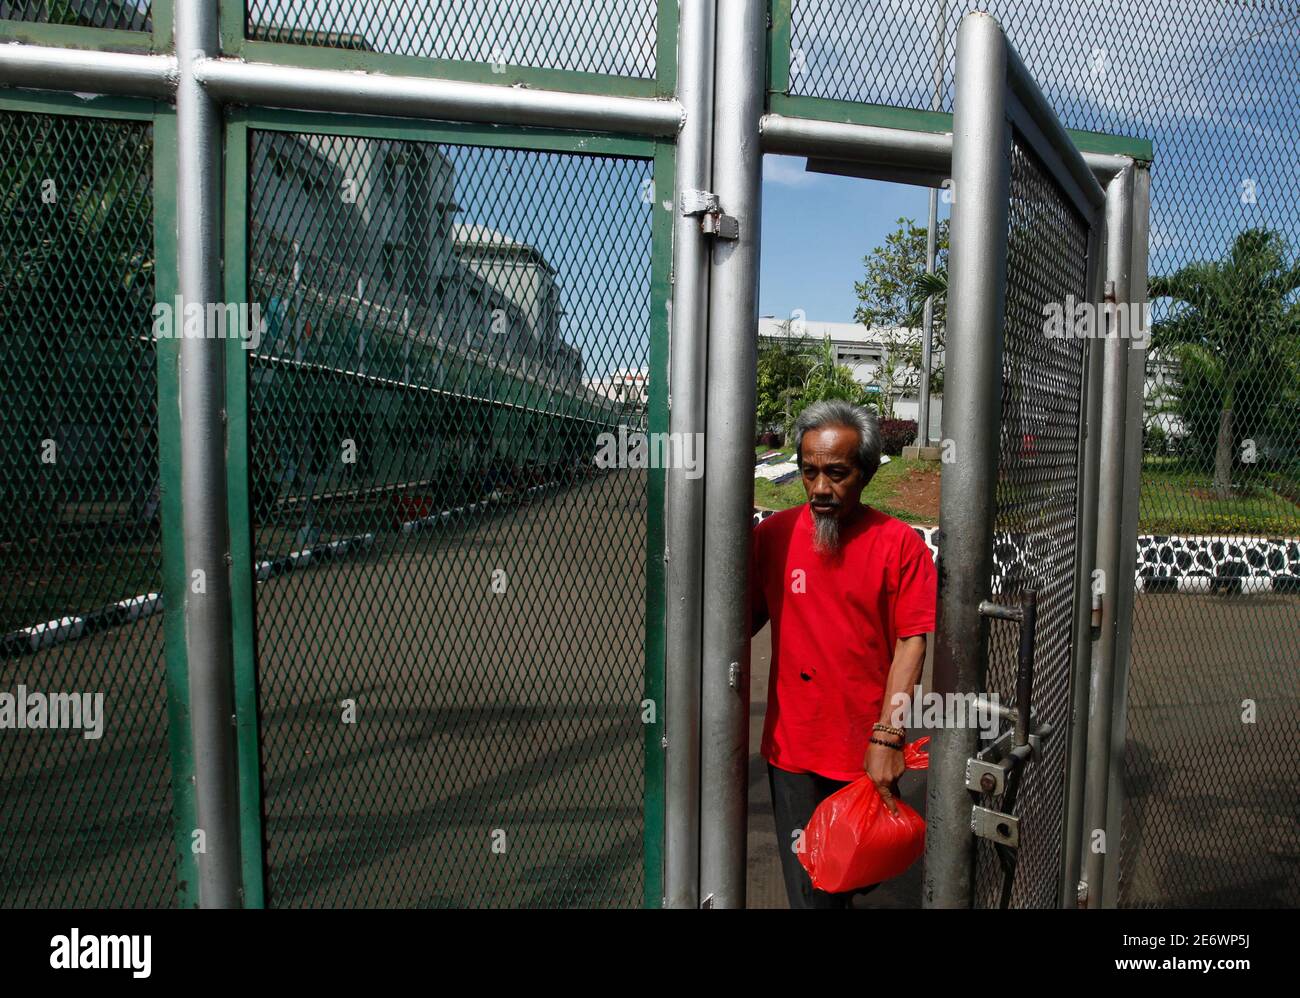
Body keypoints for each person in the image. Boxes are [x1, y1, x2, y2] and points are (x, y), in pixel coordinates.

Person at [751, 400, 937, 909]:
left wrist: (888, 736)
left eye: (837, 473)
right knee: (810, 891)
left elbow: (911, 643)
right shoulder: (773, 536)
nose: (820, 488)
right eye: (809, 472)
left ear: (867, 473)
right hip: (792, 748)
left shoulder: (899, 545)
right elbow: (742, 622)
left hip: (863, 749)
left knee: (858, 871)